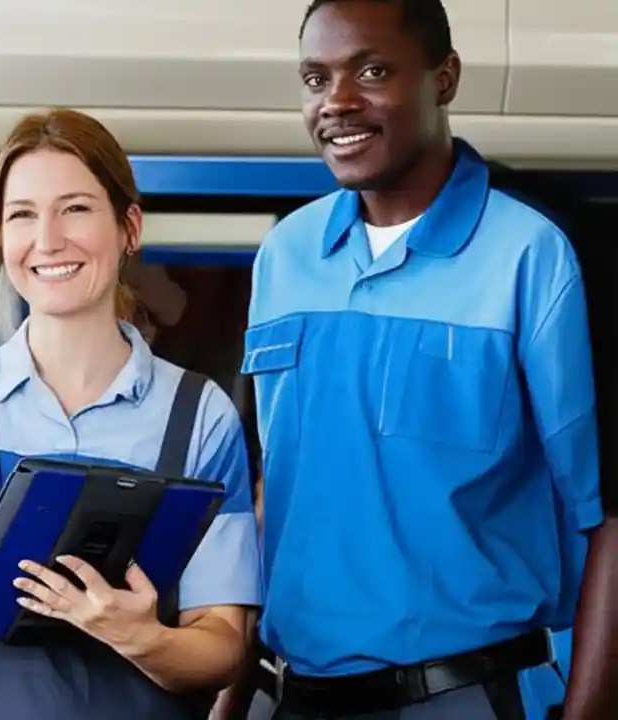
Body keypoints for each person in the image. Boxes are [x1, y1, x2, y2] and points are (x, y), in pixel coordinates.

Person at [240, 1, 615, 718]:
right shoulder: (285, 256)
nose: (338, 102)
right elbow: (269, 496)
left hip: (467, 695)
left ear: (444, 79)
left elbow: (606, 516)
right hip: (287, 695)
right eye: (315, 78)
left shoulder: (533, 256)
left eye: (373, 71)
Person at [0, 107, 261, 720]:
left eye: (76, 209)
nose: (48, 240)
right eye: (22, 216)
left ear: (129, 227)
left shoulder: (197, 416)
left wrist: (141, 636)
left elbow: (224, 647)